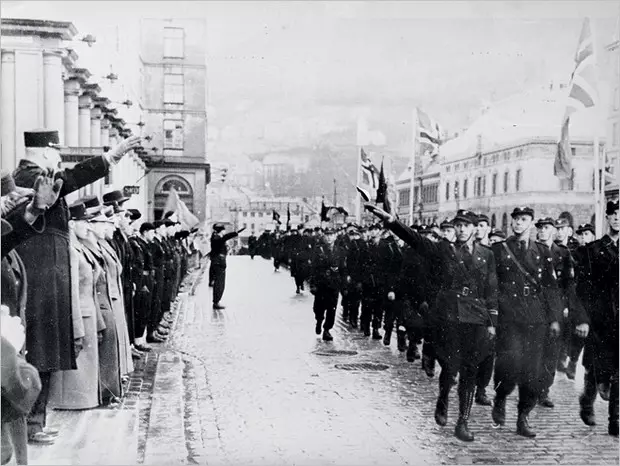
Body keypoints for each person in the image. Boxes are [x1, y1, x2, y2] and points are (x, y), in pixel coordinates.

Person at [12, 129, 140, 444]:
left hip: (46, 277)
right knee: (38, 353)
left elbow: (67, 180)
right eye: (56, 151)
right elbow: (70, 179)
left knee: (44, 353)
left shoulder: (36, 176)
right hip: (39, 278)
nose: (59, 157)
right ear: (42, 152)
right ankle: (30, 423)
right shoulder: (29, 177)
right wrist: (109, 158)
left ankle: (36, 421)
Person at [366, 204, 498, 442]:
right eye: (457, 226)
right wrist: (392, 222)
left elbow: (491, 288)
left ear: (474, 228)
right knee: (450, 366)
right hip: (449, 316)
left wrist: (492, 321)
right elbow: (415, 240)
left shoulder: (486, 254)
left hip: (475, 318)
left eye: (466, 226)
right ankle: (443, 397)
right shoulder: (442, 250)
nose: (460, 230)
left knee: (469, 369)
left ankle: (463, 421)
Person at [490, 206, 562, 438]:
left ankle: (523, 416)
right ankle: (500, 397)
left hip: (535, 317)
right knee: (509, 363)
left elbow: (551, 288)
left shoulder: (542, 251)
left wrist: (554, 318)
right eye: (516, 220)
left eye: (524, 220)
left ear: (530, 223)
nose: (520, 224)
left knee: (532, 369)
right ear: (511, 223)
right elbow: (491, 284)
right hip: (509, 316)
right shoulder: (499, 250)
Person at [535, 217, 589, 408]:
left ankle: (544, 390)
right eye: (540, 228)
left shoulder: (563, 253)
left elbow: (569, 284)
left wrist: (568, 307)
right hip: (534, 307)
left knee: (551, 352)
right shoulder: (530, 250)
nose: (543, 231)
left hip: (556, 309)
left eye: (547, 227)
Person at [576, 200, 619, 437]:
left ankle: (615, 420)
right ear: (607, 218)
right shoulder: (592, 250)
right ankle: (587, 400)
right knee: (594, 367)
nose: (617, 219)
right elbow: (581, 289)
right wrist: (582, 318)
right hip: (599, 319)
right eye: (613, 215)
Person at [309, 229, 343, 342]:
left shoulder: (339, 250)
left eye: (331, 235)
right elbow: (313, 268)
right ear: (324, 237)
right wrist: (313, 284)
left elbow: (343, 268)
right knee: (319, 308)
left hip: (334, 284)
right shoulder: (319, 250)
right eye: (327, 235)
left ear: (335, 237)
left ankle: (327, 329)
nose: (329, 237)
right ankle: (319, 321)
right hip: (321, 284)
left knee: (332, 308)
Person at [210, 223, 245, 309]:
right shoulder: (217, 238)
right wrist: (236, 232)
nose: (224, 232)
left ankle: (216, 301)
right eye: (223, 230)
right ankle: (216, 302)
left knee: (219, 283)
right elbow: (226, 237)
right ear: (220, 231)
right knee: (219, 283)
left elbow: (224, 238)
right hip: (219, 263)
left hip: (218, 262)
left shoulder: (216, 237)